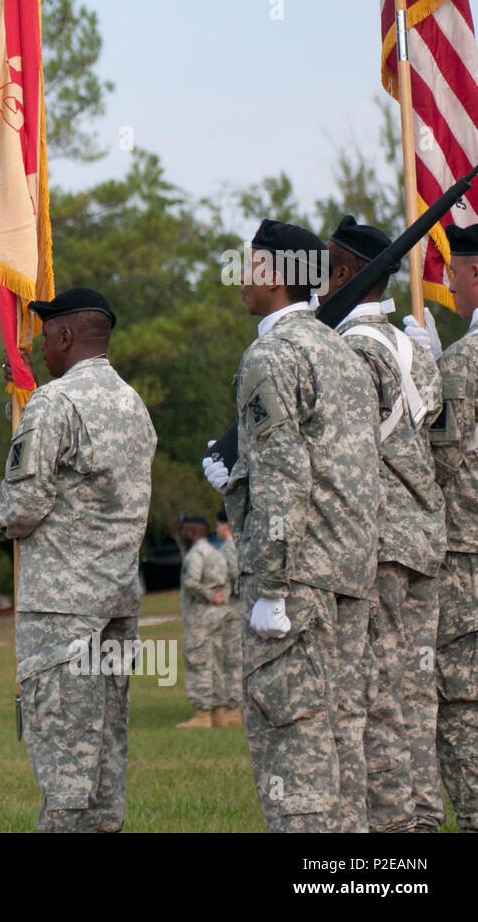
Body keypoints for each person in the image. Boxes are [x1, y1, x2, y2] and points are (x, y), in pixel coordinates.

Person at [203, 220, 381, 833]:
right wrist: (235, 478)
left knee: (298, 769)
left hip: (297, 585)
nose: (242, 278)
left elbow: (285, 477)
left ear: (276, 276)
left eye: (250, 265)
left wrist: (272, 588)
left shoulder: (271, 354)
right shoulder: (344, 352)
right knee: (344, 759)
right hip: (350, 581)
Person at [0, 288, 156, 832]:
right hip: (116, 602)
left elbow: (21, 508)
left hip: (62, 612)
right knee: (106, 766)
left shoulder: (54, 403)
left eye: (44, 337)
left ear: (65, 336)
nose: (40, 350)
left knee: (64, 770)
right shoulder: (134, 405)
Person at [321, 215, 446, 833]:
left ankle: (391, 838)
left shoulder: (350, 351)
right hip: (424, 539)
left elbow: (345, 454)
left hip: (381, 545)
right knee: (414, 694)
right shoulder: (408, 345)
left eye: (322, 265)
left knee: (375, 700)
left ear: (345, 272)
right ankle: (422, 821)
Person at [406, 222, 478, 833]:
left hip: (467, 565)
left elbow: (437, 464)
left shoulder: (464, 363)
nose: (449, 283)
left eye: (454, 272)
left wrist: (431, 380)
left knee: (461, 706)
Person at [175, 515, 233, 729]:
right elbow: (228, 580)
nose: (182, 534)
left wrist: (209, 596)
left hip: (199, 617)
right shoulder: (216, 554)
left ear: (193, 531)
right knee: (217, 663)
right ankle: (219, 714)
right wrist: (221, 598)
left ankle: (202, 715)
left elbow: (191, 581)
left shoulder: (197, 553)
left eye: (184, 530)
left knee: (198, 661)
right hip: (218, 616)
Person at [215, 509, 243, 719]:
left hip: (233, 609)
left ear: (225, 525)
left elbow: (235, 574)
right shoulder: (241, 545)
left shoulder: (228, 549)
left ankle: (235, 706)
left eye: (217, 525)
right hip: (241, 609)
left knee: (232, 659)